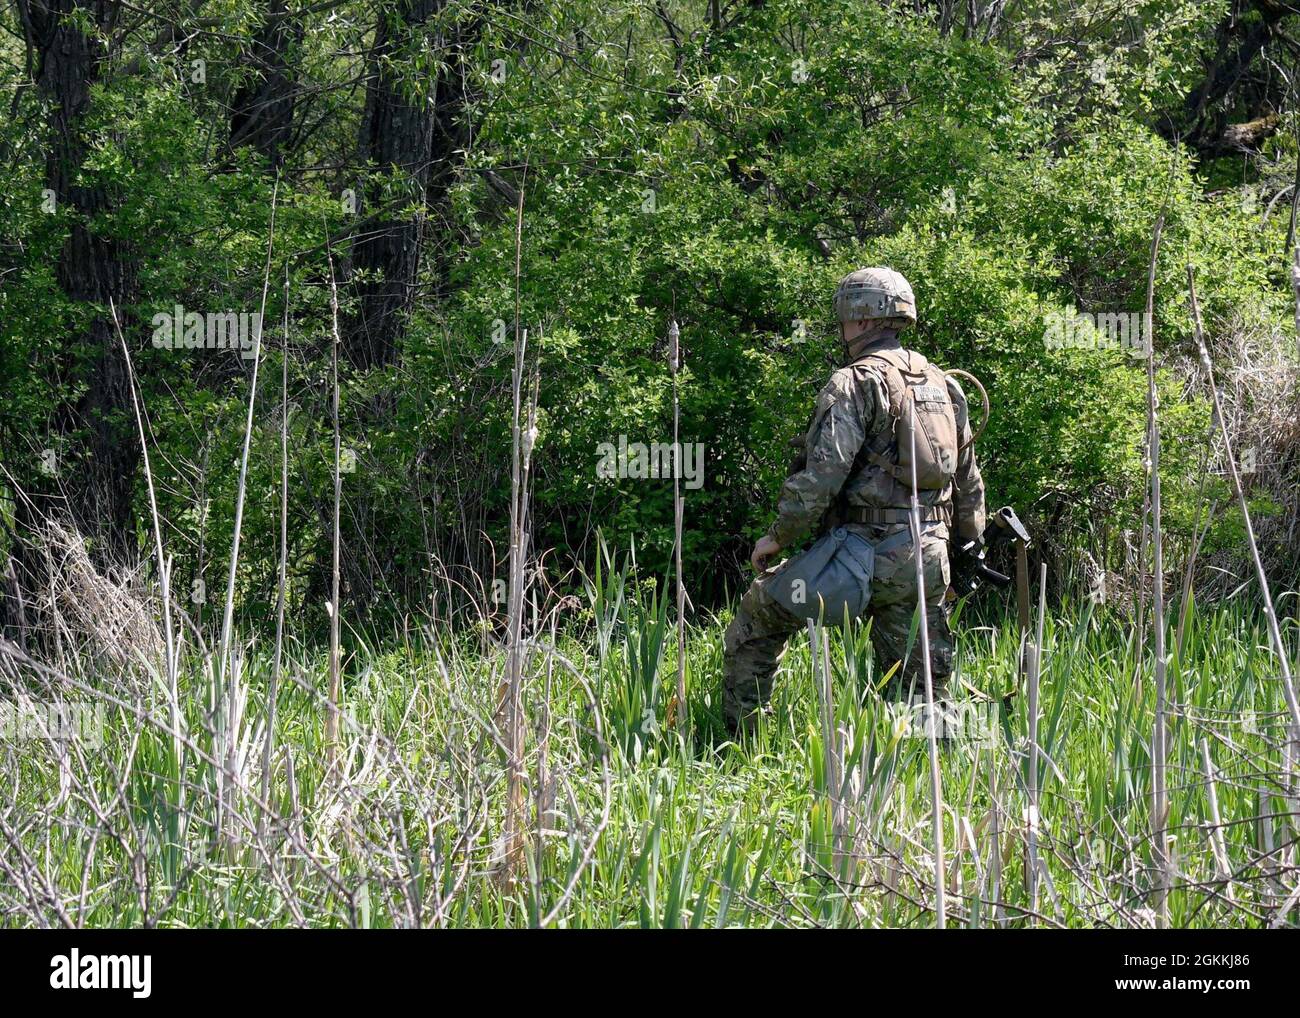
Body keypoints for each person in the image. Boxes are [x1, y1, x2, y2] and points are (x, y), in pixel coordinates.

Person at [722, 267, 986, 736]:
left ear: (862, 319)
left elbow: (820, 479)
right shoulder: (945, 384)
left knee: (759, 616)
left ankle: (741, 739)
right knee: (921, 681)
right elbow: (968, 483)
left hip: (858, 557)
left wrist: (777, 538)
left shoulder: (854, 383)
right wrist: (966, 545)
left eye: (845, 317)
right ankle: (931, 778)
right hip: (928, 557)